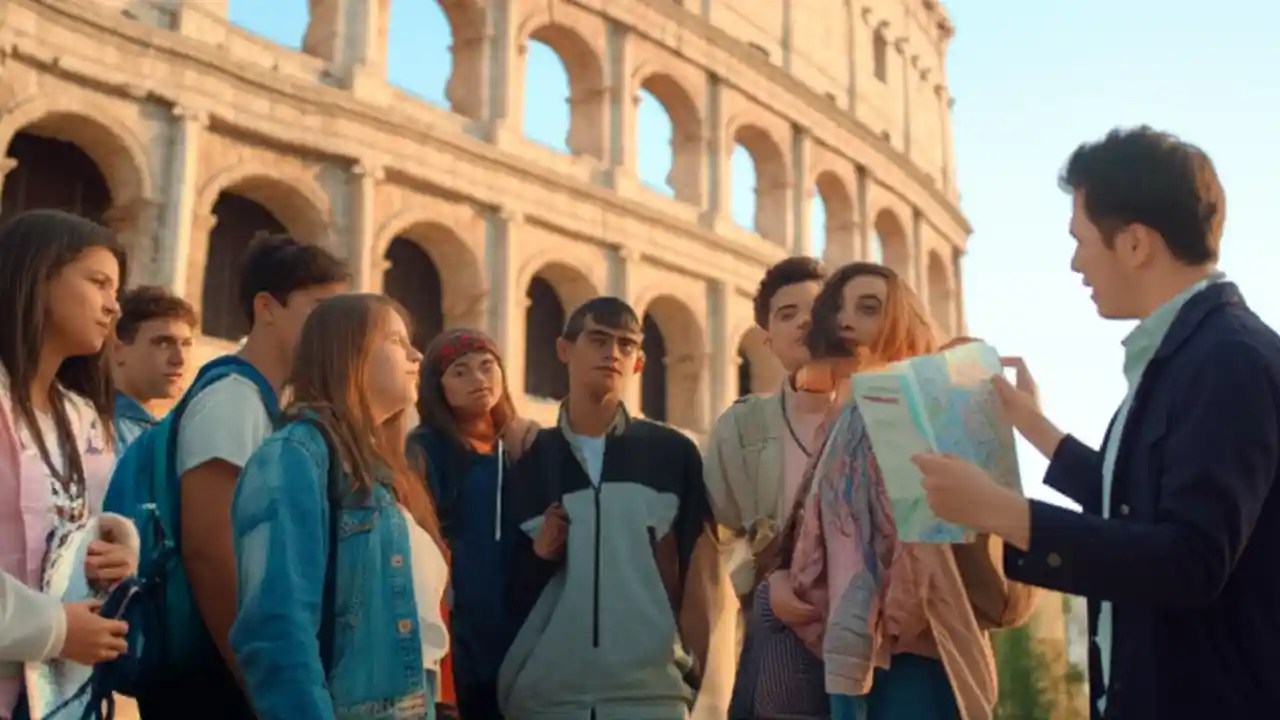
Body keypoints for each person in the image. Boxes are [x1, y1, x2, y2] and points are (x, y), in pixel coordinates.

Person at [912, 127, 1280, 719]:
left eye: (1080, 240)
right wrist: (1036, 428)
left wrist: (1003, 512)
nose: (1075, 262)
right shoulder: (1189, 352)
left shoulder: (1228, 359)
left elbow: (1190, 561)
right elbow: (1139, 503)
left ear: (1134, 244)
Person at [753, 263, 1035, 720]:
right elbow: (817, 538)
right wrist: (781, 580)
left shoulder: (934, 409)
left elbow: (957, 535)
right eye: (837, 309)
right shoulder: (839, 423)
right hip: (846, 652)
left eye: (868, 309)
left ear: (902, 319)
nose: (846, 321)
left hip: (921, 652)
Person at [139, 233, 347, 717]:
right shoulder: (232, 398)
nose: (332, 330)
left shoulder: (268, 403)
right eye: (320, 310)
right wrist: (261, 683)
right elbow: (210, 553)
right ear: (267, 308)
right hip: (214, 678)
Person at [498, 297, 735, 720]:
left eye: (626, 345)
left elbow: (703, 581)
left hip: (652, 698)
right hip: (545, 701)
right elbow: (503, 584)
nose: (612, 353)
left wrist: (701, 687)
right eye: (598, 339)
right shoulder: (530, 459)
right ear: (564, 349)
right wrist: (540, 556)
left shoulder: (673, 455)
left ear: (639, 363)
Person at [231, 294, 447, 719]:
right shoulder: (295, 455)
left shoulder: (386, 474)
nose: (416, 355)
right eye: (395, 340)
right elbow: (278, 626)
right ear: (348, 353)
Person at [0, 210, 138, 719]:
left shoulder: (84, 420)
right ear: (37, 277)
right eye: (98, 283)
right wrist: (54, 628)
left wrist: (118, 550)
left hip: (59, 698)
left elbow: (80, 530)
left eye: (116, 290)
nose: (113, 305)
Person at [407, 329, 537, 719]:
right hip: (456, 639)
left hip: (520, 642)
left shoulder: (520, 450)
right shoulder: (425, 451)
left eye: (487, 366)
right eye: (460, 372)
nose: (479, 380)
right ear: (438, 386)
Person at [704, 256, 831, 604]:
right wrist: (768, 582)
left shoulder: (881, 413)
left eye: (817, 309)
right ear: (768, 341)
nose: (804, 320)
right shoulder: (740, 428)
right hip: (779, 621)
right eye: (787, 314)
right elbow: (716, 542)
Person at [111, 286, 197, 450]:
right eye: (163, 344)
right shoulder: (99, 428)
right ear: (119, 351)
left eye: (186, 344)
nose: (179, 360)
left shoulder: (174, 429)